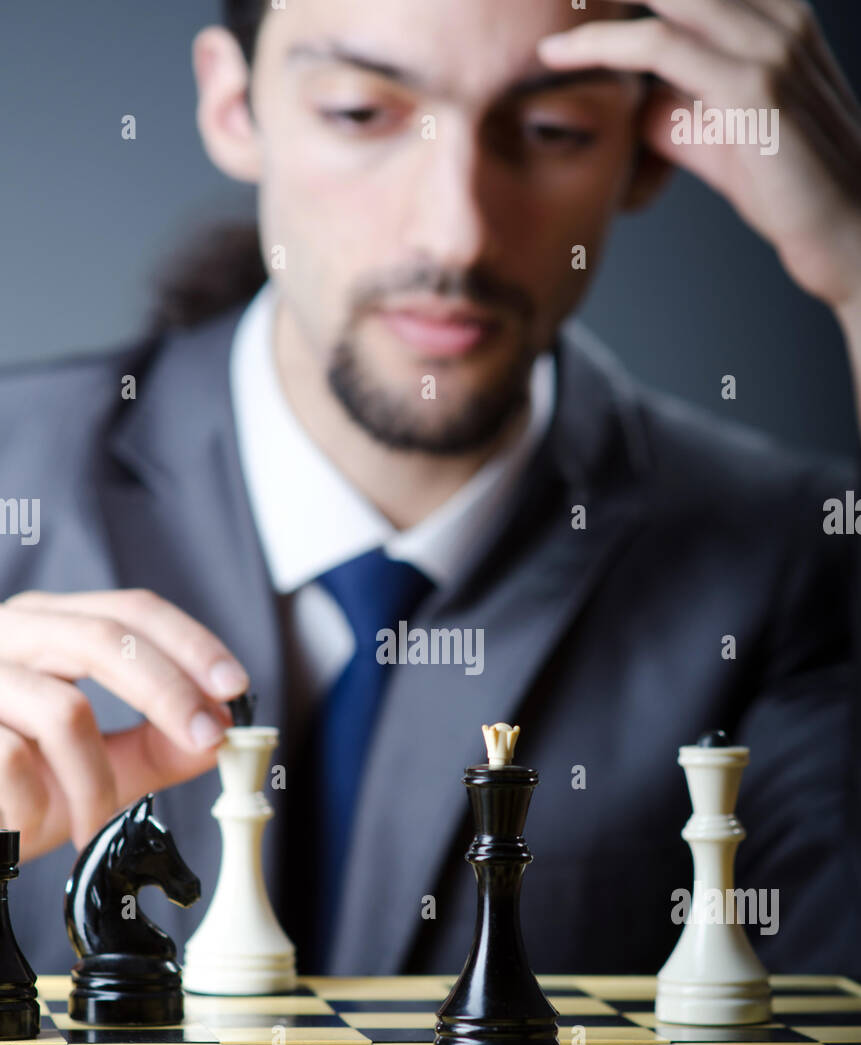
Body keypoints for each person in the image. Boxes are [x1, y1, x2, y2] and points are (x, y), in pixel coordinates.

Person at [0, 0, 859, 976]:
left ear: (651, 145)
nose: (455, 234)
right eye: (362, 113)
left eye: (552, 131)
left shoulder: (793, 560)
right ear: (235, 104)